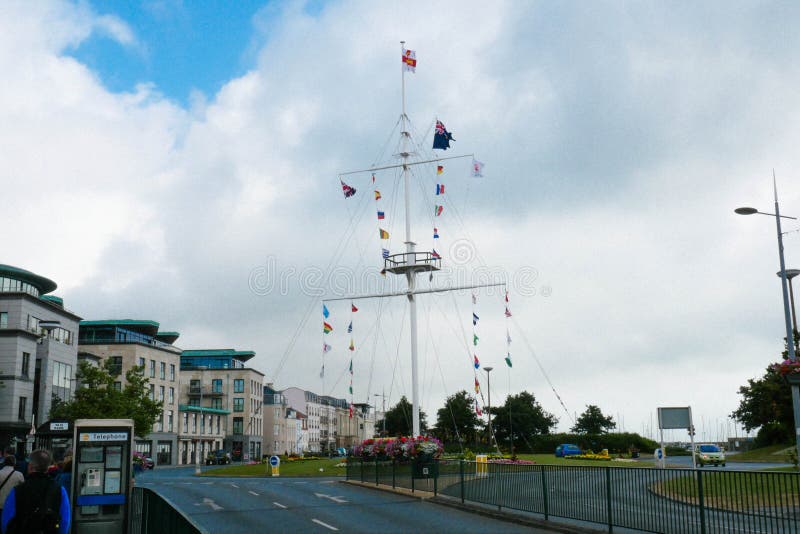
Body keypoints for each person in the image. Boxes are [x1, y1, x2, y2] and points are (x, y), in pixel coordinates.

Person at [1, 449, 70, 534]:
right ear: (48, 467)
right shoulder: (60, 490)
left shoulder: (17, 490)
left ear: (30, 466)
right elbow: (65, 520)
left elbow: (6, 520)